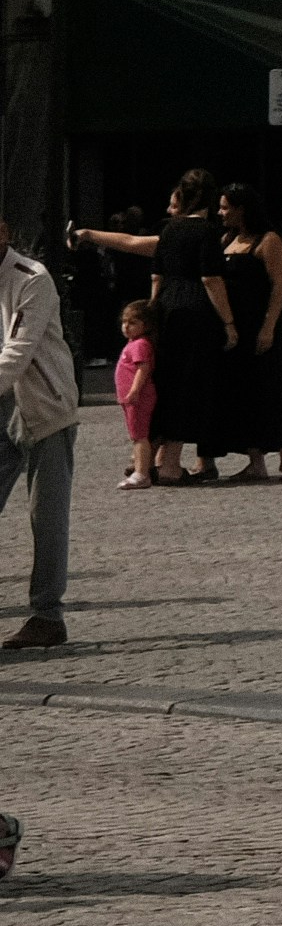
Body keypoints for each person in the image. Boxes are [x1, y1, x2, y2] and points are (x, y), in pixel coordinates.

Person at [2, 227, 76, 653]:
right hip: (1, 406)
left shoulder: (32, 277)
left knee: (46, 519)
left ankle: (47, 616)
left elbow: (17, 351)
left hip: (43, 407)